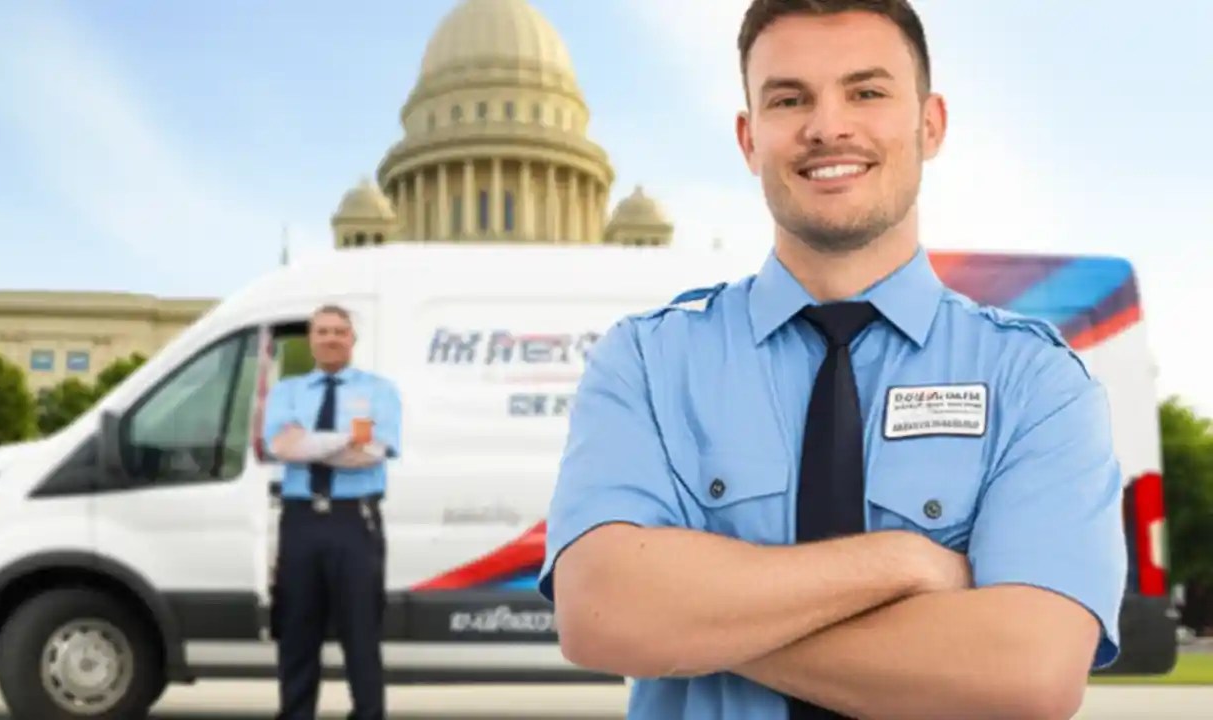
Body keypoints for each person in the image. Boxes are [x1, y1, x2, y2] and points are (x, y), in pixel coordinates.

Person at [538, 1, 1126, 719]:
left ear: (930, 123)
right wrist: (903, 562)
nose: (827, 126)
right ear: (749, 138)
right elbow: (601, 613)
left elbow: (1029, 675)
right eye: (790, 99)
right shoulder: (648, 361)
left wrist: (686, 625)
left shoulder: (1035, 382)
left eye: (867, 92)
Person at [263, 304, 402, 720]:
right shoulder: (287, 391)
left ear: (353, 339)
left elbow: (373, 454)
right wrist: (347, 439)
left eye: (340, 331)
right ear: (310, 338)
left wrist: (311, 443)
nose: (330, 338)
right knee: (297, 633)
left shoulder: (380, 391)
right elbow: (282, 446)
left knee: (361, 632)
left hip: (354, 521)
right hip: (300, 520)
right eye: (322, 331)